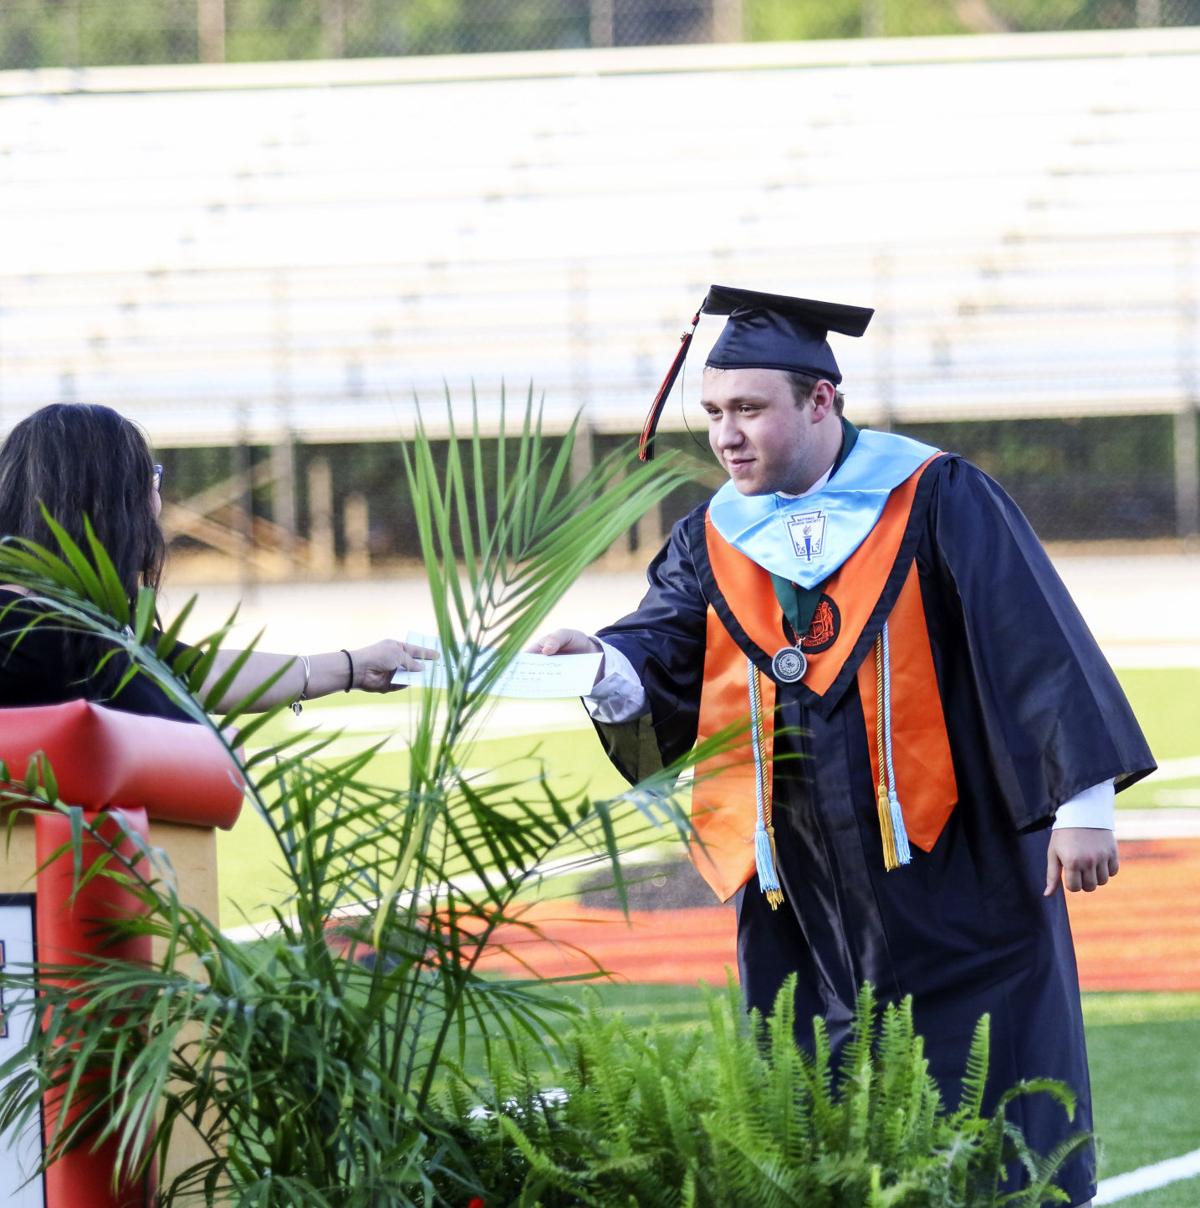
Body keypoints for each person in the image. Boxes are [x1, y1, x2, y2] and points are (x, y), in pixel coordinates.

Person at [532, 285, 1155, 1207]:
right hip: (797, 885)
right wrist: (601, 657)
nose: (725, 436)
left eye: (749, 409)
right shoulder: (714, 536)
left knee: (997, 1109)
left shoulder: (936, 497)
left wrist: (1083, 804)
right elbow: (661, 645)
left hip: (958, 875)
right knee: (815, 1119)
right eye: (712, 413)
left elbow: (1030, 640)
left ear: (820, 400)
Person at [0, 403, 434, 721]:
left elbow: (197, 673)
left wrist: (354, 666)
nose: (157, 500)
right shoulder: (45, 635)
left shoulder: (71, 619)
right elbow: (183, 697)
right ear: (109, 502)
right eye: (149, 478)